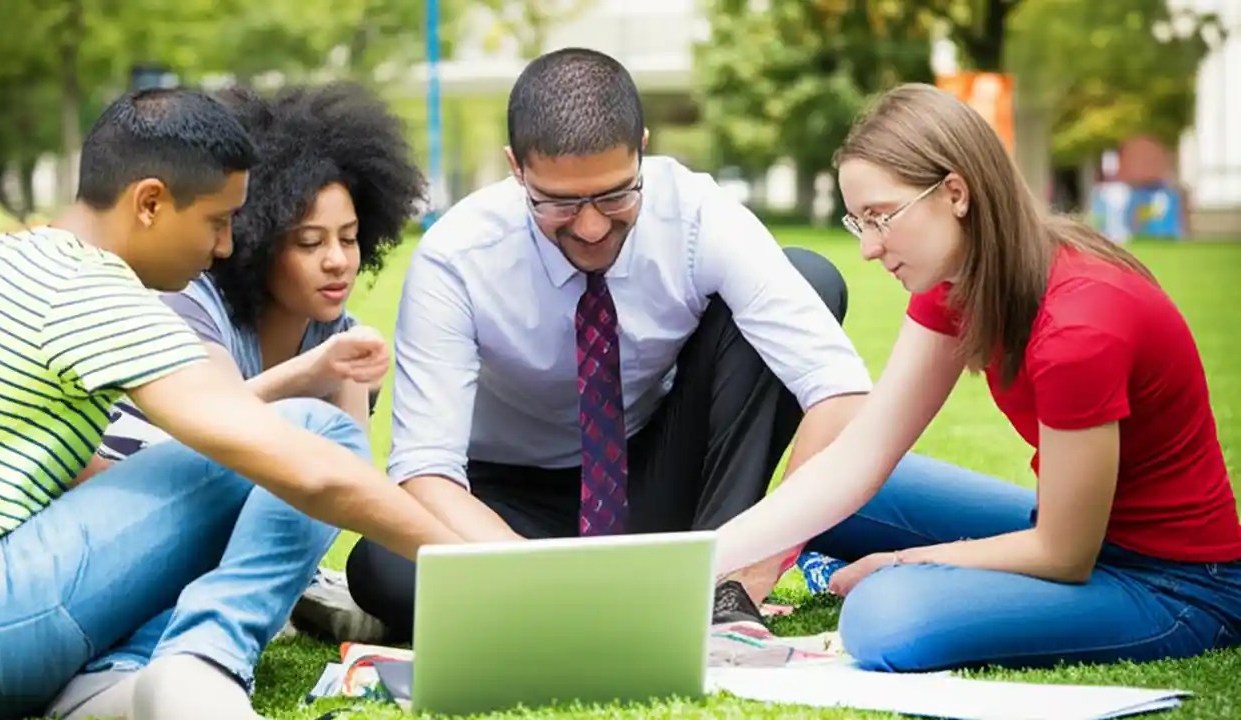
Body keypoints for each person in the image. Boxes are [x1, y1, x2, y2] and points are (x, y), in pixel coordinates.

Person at [0, 88, 460, 720]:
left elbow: (80, 482)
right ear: (150, 203)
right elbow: (302, 461)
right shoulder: (93, 291)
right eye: (217, 221)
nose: (226, 247)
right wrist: (466, 563)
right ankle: (204, 662)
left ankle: (112, 689)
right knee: (317, 431)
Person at [344, 47, 874, 642]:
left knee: (810, 276)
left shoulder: (699, 214)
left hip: (653, 475)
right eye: (559, 203)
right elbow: (427, 471)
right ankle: (596, 606)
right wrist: (543, 576)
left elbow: (840, 392)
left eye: (615, 195)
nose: (591, 227)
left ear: (642, 148)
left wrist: (755, 562)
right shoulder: (457, 258)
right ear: (516, 167)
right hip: (506, 501)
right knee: (384, 568)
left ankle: (716, 591)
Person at [713, 83, 1241, 672]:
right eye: (857, 221)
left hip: (1172, 584)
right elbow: (864, 452)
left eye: (880, 218)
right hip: (1065, 527)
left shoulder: (1079, 327)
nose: (867, 248)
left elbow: (1065, 553)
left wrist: (902, 563)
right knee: (832, 476)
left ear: (956, 194)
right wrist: (703, 559)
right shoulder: (957, 279)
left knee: (884, 618)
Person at [92, 81, 423, 644]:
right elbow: (206, 423)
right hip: (129, 514)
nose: (337, 261)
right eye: (309, 242)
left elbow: (350, 479)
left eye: (349, 238)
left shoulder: (334, 335)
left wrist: (340, 377)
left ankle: (296, 590)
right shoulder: (191, 304)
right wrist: (311, 371)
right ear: (259, 241)